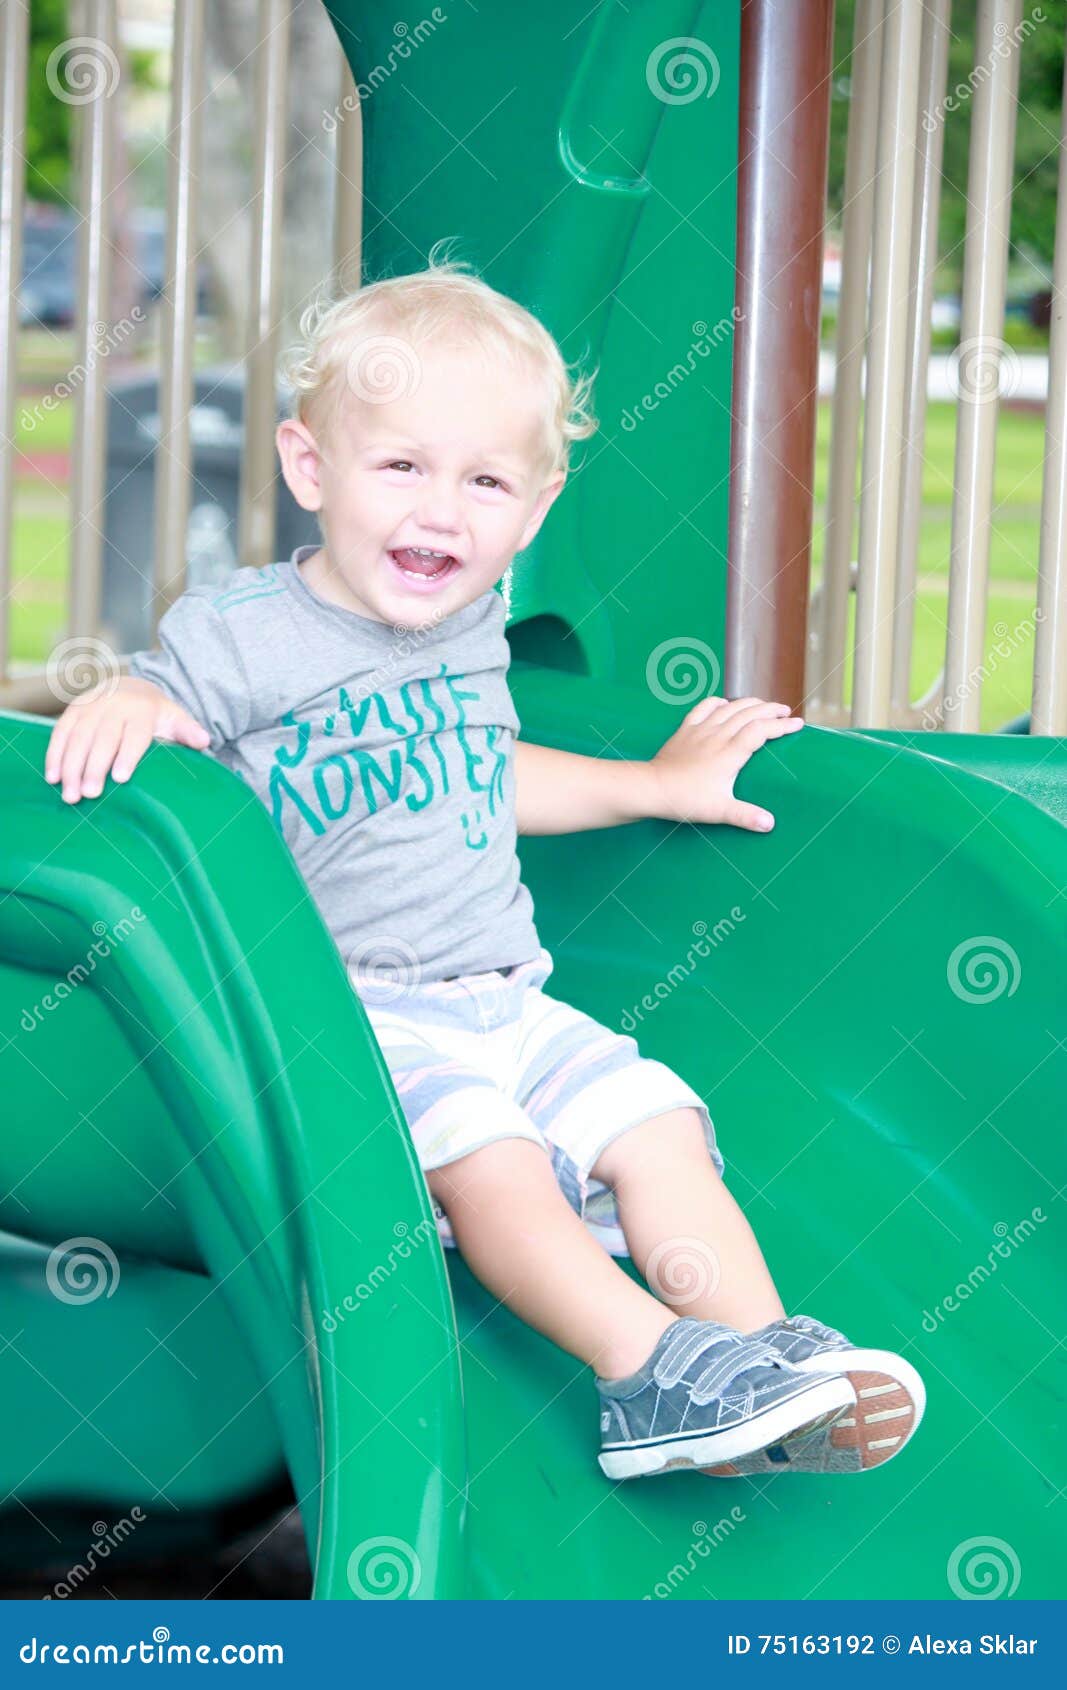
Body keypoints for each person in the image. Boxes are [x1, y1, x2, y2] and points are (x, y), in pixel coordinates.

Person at [43, 247, 924, 1481]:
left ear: (537, 501)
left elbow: (482, 777)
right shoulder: (245, 636)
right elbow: (163, 713)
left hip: (506, 996)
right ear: (310, 465)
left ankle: (757, 1366)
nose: (440, 511)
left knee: (659, 1124)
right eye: (399, 464)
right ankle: (643, 1373)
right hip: (347, 1021)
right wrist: (130, 696)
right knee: (500, 1164)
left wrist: (654, 786)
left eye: (486, 481)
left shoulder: (467, 624)